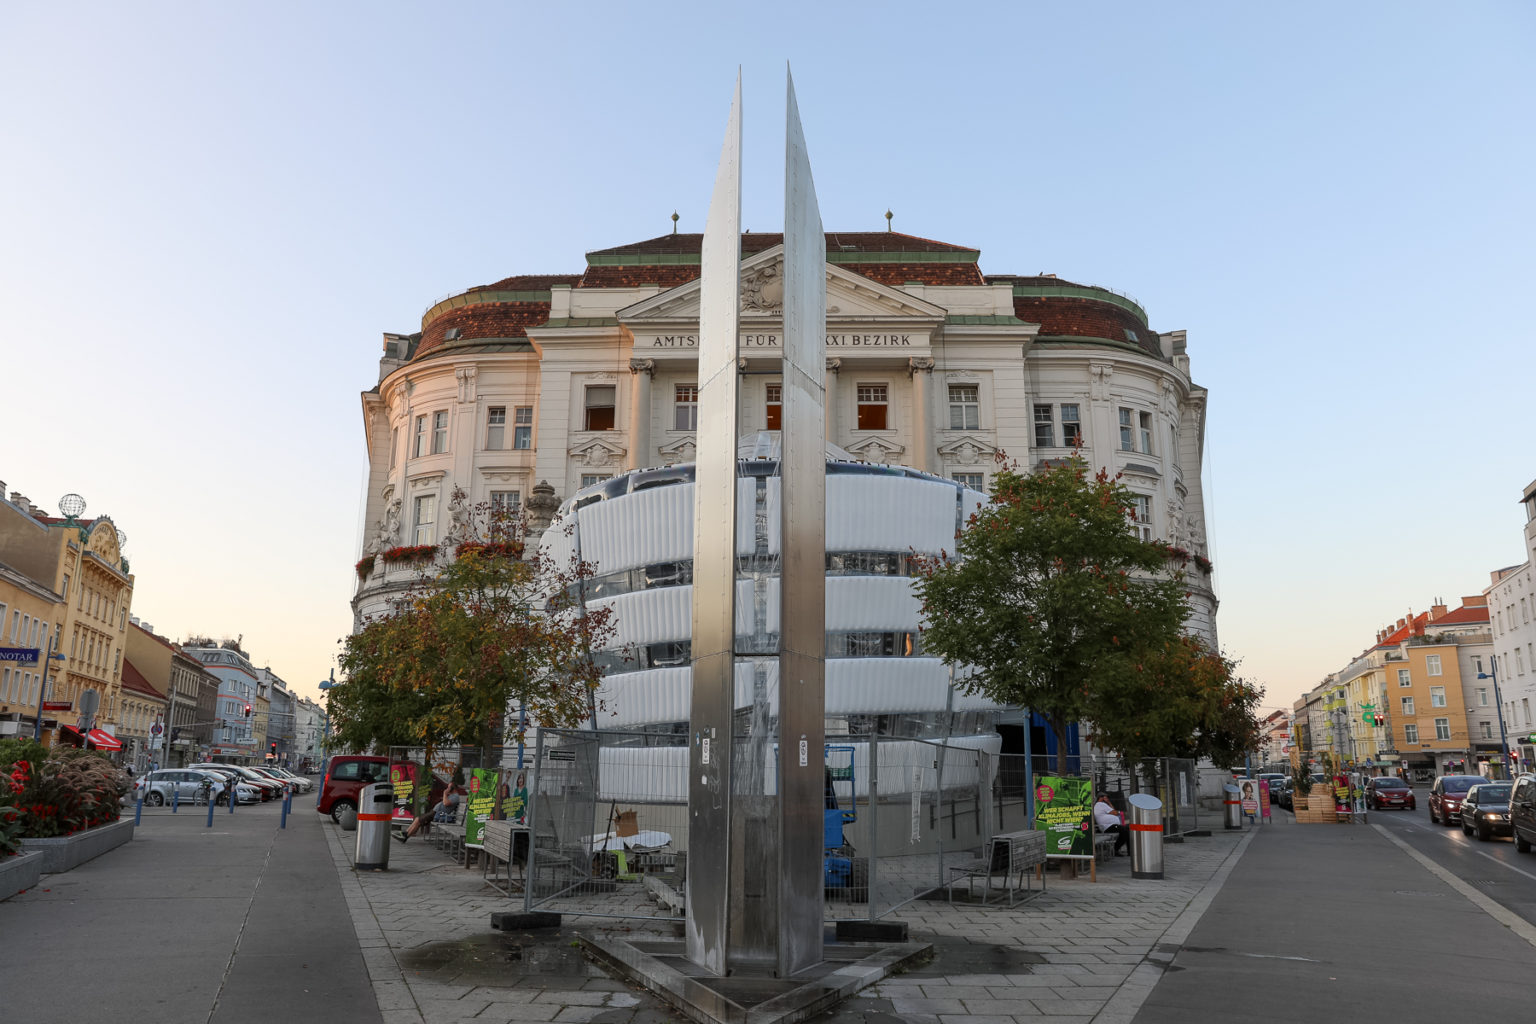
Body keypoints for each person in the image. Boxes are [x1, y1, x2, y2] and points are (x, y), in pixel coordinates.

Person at [398, 769, 466, 842]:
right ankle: (406, 833)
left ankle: (406, 836)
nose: (447, 789)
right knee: (418, 820)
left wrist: (444, 793)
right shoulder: (452, 795)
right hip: (435, 812)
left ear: (453, 788)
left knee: (418, 820)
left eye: (449, 787)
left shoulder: (455, 797)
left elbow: (446, 803)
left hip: (438, 814)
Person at [1093, 791, 1129, 856]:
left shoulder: (1102, 805)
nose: (1107, 798)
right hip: (1108, 827)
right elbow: (1115, 813)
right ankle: (1115, 850)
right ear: (1101, 798)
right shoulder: (1101, 804)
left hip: (1110, 826)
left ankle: (1128, 851)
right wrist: (1117, 812)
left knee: (1127, 829)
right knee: (1125, 830)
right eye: (1106, 797)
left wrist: (1109, 802)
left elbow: (1112, 810)